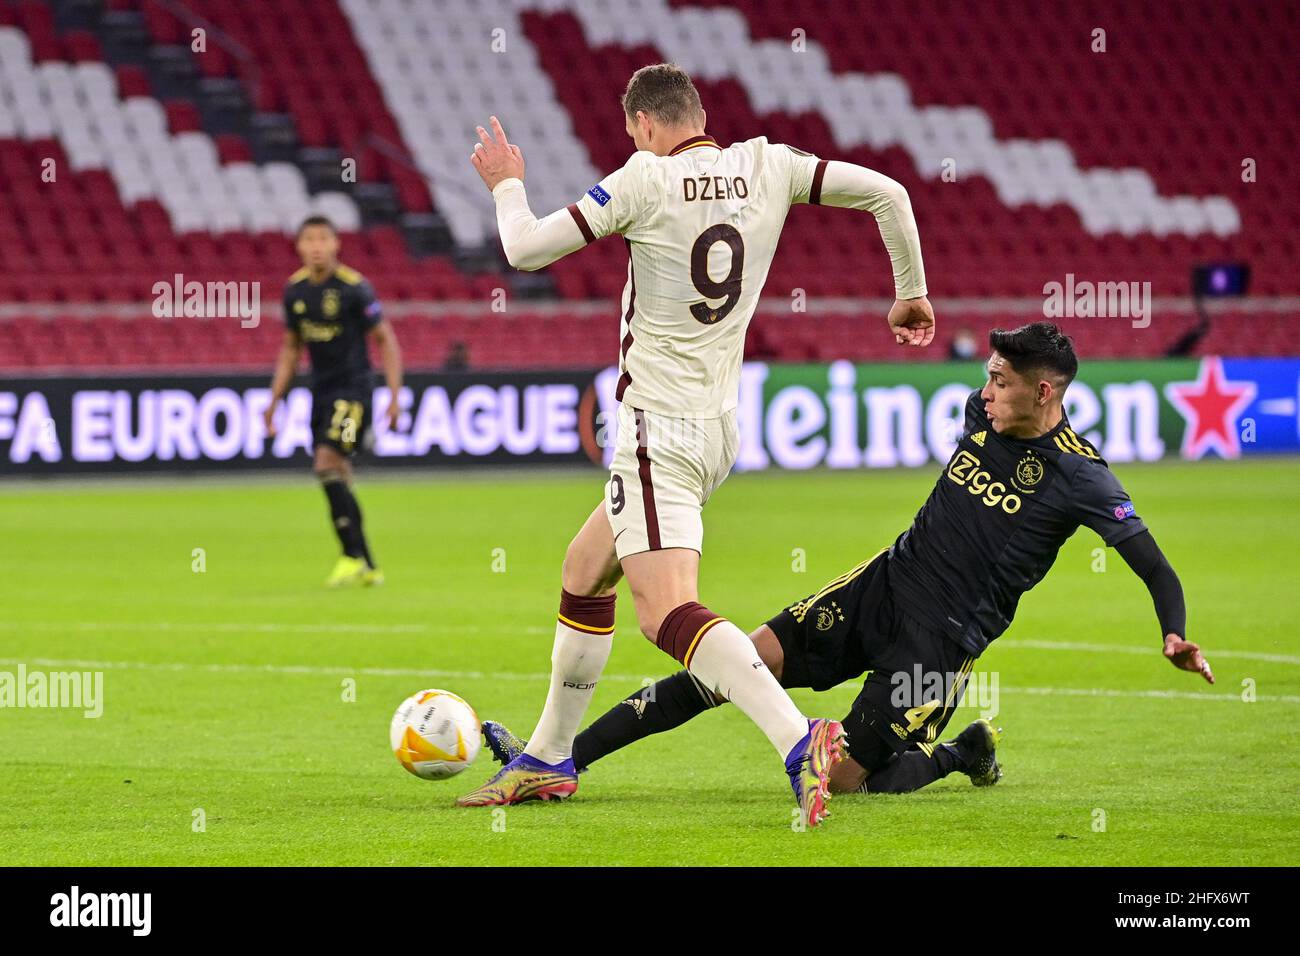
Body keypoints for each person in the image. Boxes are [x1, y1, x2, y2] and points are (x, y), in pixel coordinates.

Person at [457, 63, 934, 826]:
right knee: (586, 569)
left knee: (665, 614)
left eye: (632, 131)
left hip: (656, 431)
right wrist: (909, 291)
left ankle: (798, 738)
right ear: (699, 115)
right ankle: (550, 756)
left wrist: (506, 184)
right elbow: (891, 193)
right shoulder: (768, 164)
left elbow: (525, 251)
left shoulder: (643, 179)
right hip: (717, 429)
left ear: (644, 126)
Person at [481, 323, 1213, 797]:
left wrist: (1173, 631)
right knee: (724, 668)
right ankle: (562, 759)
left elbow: (1154, 565)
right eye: (988, 377)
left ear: (1044, 392)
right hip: (882, 587)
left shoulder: (1081, 475)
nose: (985, 391)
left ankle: (961, 751)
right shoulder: (977, 414)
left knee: (849, 782)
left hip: (940, 644)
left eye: (1001, 381)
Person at [264, 216, 403, 588]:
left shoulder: (355, 289)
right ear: (299, 246)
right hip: (321, 392)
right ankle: (369, 566)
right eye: (309, 239)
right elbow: (291, 349)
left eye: (323, 238)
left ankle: (350, 556)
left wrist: (393, 395)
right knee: (338, 473)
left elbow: (385, 339)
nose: (316, 246)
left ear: (336, 244)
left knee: (325, 462)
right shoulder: (294, 292)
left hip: (354, 390)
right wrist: (273, 402)